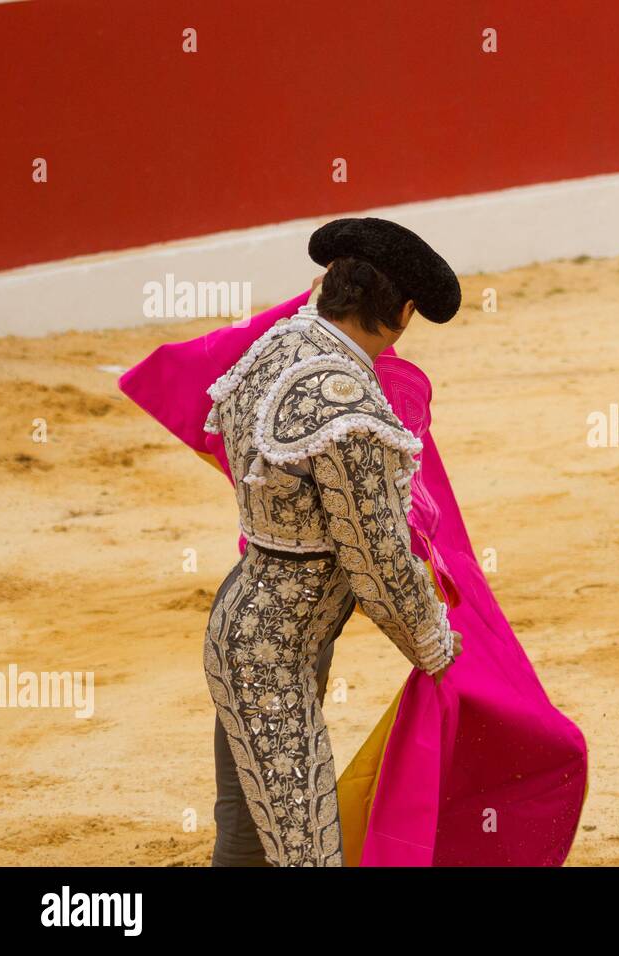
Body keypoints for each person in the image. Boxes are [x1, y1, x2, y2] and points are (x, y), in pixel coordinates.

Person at [202, 218, 464, 866]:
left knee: (246, 837)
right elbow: (377, 567)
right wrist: (438, 648)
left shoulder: (276, 345)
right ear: (403, 312)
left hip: (246, 627)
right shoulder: (346, 404)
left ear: (330, 285)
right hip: (273, 659)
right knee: (308, 854)